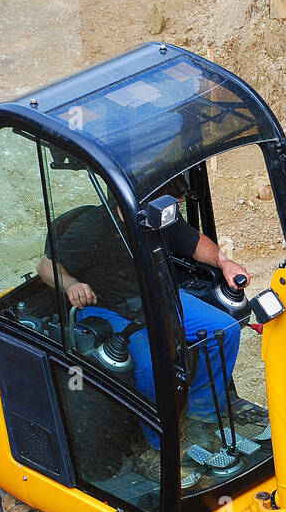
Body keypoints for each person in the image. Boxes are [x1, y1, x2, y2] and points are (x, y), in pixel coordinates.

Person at [36, 177, 248, 440]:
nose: (174, 215)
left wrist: (223, 261)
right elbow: (46, 266)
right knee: (151, 364)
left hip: (156, 298)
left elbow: (195, 243)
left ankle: (201, 412)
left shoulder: (163, 217)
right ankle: (159, 443)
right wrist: (72, 284)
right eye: (170, 207)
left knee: (225, 329)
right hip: (108, 308)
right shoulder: (93, 227)